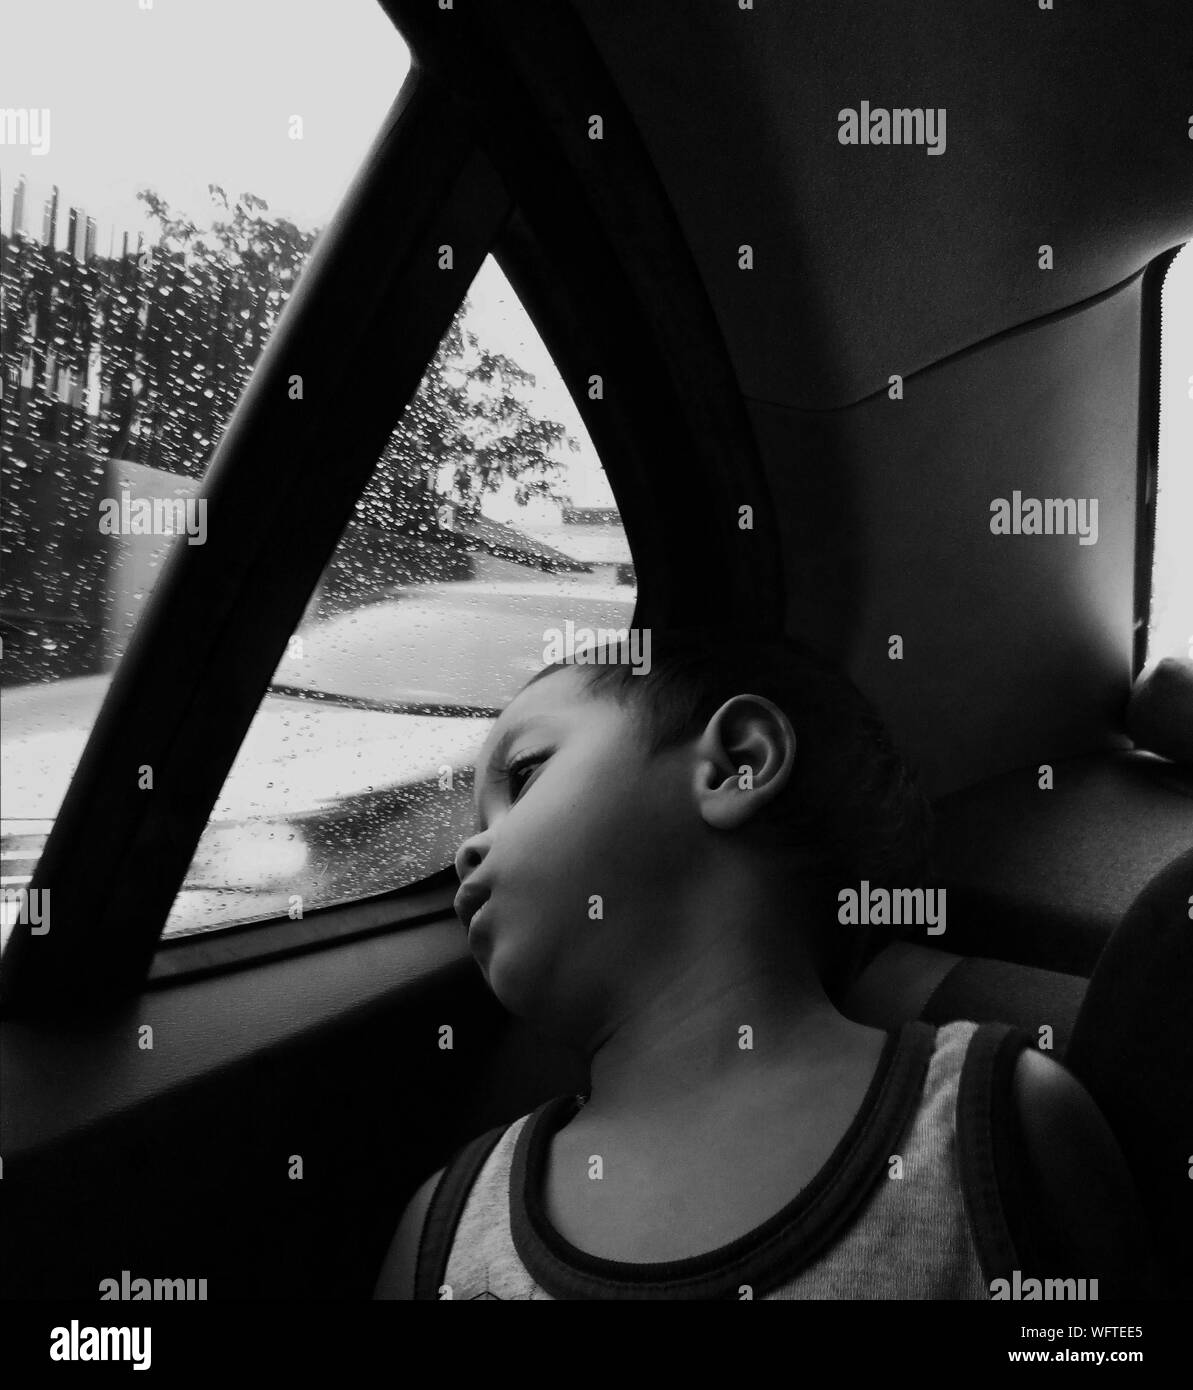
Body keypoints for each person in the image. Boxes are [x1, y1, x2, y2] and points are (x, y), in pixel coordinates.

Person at [375, 628, 1153, 1300]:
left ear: (736, 764)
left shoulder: (993, 1128)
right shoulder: (443, 1222)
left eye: (525, 774)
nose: (465, 851)